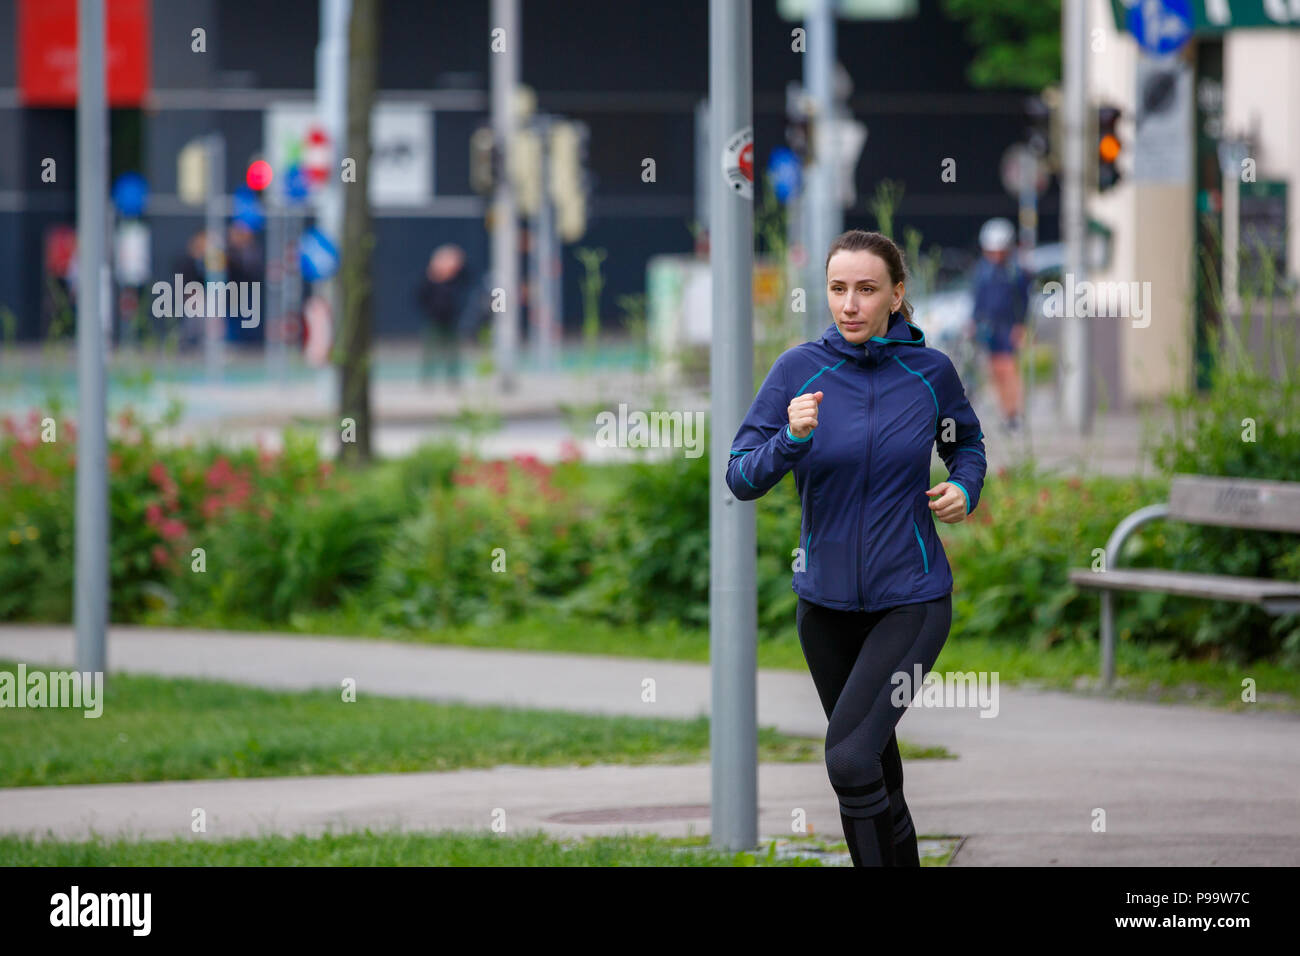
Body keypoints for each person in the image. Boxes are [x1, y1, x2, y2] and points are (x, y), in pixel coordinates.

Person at [725, 229, 986, 867]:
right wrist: (789, 437)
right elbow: (741, 475)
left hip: (913, 602)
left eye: (866, 290)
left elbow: (966, 444)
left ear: (897, 295)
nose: (850, 304)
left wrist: (963, 487)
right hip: (825, 609)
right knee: (872, 770)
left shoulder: (931, 373)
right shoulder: (797, 370)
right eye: (838, 289)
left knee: (848, 756)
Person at [970, 217, 1030, 433]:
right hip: (989, 328)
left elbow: (1023, 302)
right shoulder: (982, 270)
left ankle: (1016, 414)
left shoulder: (1015, 272)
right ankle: (1006, 414)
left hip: (1008, 326)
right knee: (995, 371)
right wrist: (973, 321)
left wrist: (1020, 326)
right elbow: (978, 299)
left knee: (1008, 369)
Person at [416, 244, 469, 385]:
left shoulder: (455, 280)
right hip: (434, 320)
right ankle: (427, 379)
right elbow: (421, 296)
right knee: (431, 352)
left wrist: (456, 264)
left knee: (452, 352)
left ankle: (453, 378)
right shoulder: (429, 280)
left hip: (450, 320)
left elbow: (467, 277)